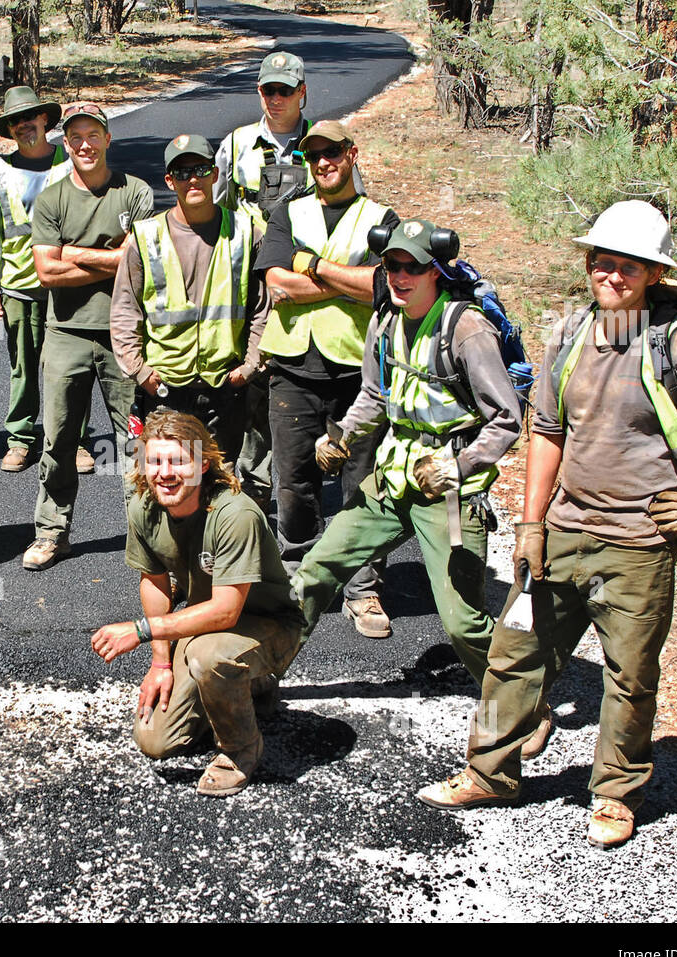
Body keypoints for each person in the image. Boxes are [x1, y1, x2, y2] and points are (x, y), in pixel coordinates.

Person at [418, 200, 677, 850]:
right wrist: (530, 524)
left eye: (627, 267)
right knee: (513, 656)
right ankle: (488, 773)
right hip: (562, 536)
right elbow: (548, 433)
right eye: (602, 263)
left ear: (650, 273)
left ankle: (614, 795)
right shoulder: (571, 332)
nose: (611, 276)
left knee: (628, 676)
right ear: (589, 263)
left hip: (640, 545)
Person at [294, 219, 522, 682]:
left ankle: (520, 704)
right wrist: (343, 435)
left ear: (435, 271)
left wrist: (459, 465)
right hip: (393, 477)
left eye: (412, 268)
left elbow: (507, 419)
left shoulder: (466, 330)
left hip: (452, 491)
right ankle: (256, 678)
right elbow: (376, 395)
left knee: (463, 621)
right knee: (312, 573)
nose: (399, 277)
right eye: (392, 265)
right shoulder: (384, 319)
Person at [92, 410, 303, 796]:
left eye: (178, 461)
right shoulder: (145, 506)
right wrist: (160, 663)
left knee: (210, 657)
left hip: (267, 624)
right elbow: (154, 583)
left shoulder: (234, 514)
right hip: (204, 624)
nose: (165, 472)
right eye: (155, 460)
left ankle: (241, 750)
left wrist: (141, 631)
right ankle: (252, 689)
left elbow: (227, 610)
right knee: (156, 742)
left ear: (203, 464)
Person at [256, 120, 399, 638]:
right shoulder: (286, 212)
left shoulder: (381, 218)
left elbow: (386, 286)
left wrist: (314, 268)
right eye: (313, 155)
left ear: (351, 154)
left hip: (359, 373)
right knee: (293, 481)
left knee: (360, 483)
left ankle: (363, 588)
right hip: (294, 366)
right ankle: (298, 575)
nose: (322, 163)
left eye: (333, 153)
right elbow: (278, 285)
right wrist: (348, 282)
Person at [214, 50, 368, 514]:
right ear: (258, 92)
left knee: (286, 378)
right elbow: (216, 207)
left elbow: (353, 215)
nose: (276, 98)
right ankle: (253, 488)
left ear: (303, 92)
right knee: (249, 381)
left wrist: (331, 279)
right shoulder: (237, 144)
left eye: (285, 90)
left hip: (305, 289)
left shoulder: (324, 145)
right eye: (268, 90)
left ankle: (304, 481)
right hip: (247, 281)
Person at [25, 102, 155, 571]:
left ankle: (146, 536)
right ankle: (51, 531)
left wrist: (74, 255)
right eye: (75, 136)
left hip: (125, 333)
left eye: (93, 135)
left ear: (107, 139)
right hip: (66, 334)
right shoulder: (53, 198)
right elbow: (46, 271)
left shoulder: (136, 192)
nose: (84, 144)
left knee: (134, 443)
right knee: (58, 439)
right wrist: (108, 257)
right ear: (65, 142)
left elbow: (136, 261)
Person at [111, 134, 266, 464]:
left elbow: (263, 308)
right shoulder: (146, 237)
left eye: (200, 169)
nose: (192, 179)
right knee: (167, 484)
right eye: (182, 173)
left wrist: (249, 367)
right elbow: (125, 310)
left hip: (225, 386)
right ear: (169, 180)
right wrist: (141, 372)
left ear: (215, 173)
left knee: (219, 484)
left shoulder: (246, 232)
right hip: (165, 389)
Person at [0, 85, 88, 474]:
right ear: (9, 129)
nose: (24, 125)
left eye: (30, 117)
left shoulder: (71, 162)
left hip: (67, 283)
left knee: (70, 368)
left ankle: (73, 440)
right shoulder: (0, 171)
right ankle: (21, 439)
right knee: (23, 368)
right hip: (19, 285)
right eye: (15, 121)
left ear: (45, 119)